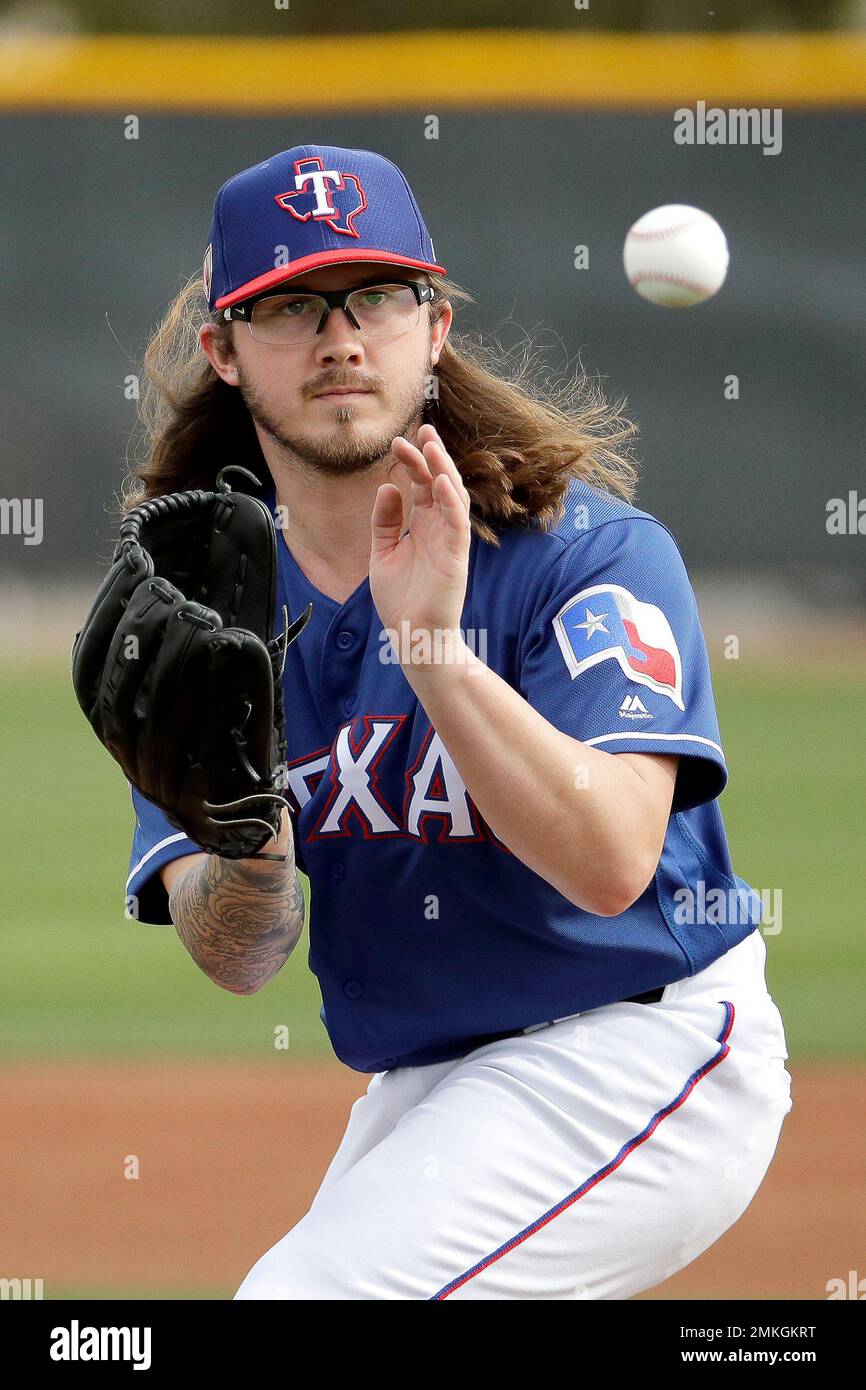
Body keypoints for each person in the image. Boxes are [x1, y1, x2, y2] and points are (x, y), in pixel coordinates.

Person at [123, 144, 792, 1300]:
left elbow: (610, 864)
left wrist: (430, 649)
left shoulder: (587, 556)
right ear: (223, 352)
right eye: (290, 304)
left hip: (639, 1045)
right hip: (430, 1080)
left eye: (373, 296)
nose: (340, 337)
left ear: (432, 327)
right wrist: (244, 819)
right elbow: (244, 954)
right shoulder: (203, 618)